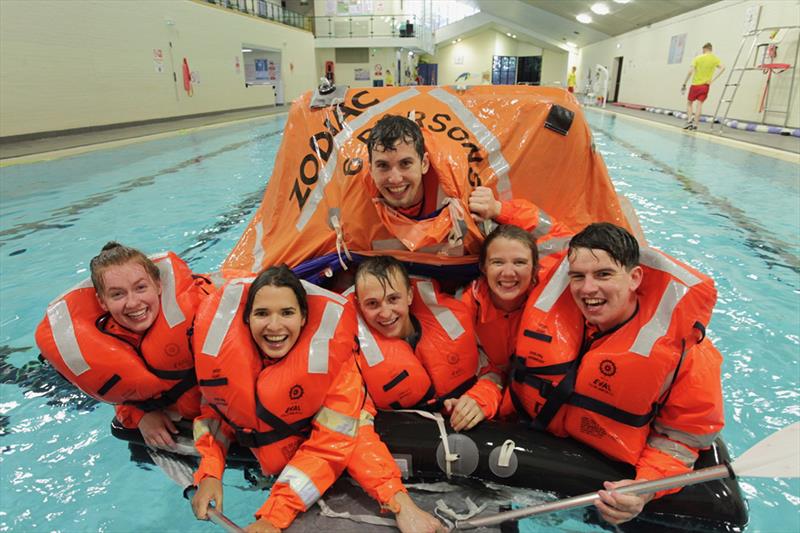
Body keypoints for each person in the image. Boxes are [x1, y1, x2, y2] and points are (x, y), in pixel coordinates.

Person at [509, 223, 723, 525]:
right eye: (578, 276)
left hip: (607, 476)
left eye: (604, 274)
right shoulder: (556, 308)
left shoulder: (686, 356)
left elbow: (682, 440)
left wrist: (644, 489)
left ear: (635, 277)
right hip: (530, 441)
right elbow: (536, 230)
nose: (588, 289)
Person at [191, 266, 364, 532]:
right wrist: (210, 472)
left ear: (304, 317)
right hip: (267, 467)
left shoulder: (336, 364)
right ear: (247, 318)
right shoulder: (231, 358)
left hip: (318, 468)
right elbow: (216, 411)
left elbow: (330, 447)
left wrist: (273, 517)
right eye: (262, 313)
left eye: (287, 313)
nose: (274, 326)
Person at [35, 242, 208, 450]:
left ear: (159, 285)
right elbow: (120, 390)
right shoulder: (105, 342)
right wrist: (141, 415)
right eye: (118, 294)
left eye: (140, 287)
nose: (133, 303)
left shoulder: (198, 313)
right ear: (103, 302)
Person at [353, 256, 502, 432]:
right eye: (372, 304)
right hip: (404, 439)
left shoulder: (457, 318)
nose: (385, 313)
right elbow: (358, 416)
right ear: (359, 305)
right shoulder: (353, 356)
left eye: (393, 299)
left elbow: (494, 372)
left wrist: (480, 398)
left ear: (409, 295)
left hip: (465, 433)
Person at [459, 225, 538, 377]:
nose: (508, 273)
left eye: (519, 262)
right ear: (484, 268)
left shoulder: (549, 300)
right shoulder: (462, 308)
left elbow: (568, 239)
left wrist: (499, 209)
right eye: (498, 262)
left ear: (534, 268)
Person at [682, 42, 724, 130]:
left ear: (704, 49)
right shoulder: (715, 59)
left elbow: (690, 71)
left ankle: (689, 121)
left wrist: (684, 83)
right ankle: (696, 124)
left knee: (689, 103)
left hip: (695, 85)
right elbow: (723, 68)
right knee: (699, 105)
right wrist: (713, 80)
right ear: (711, 49)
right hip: (705, 86)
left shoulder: (698, 58)